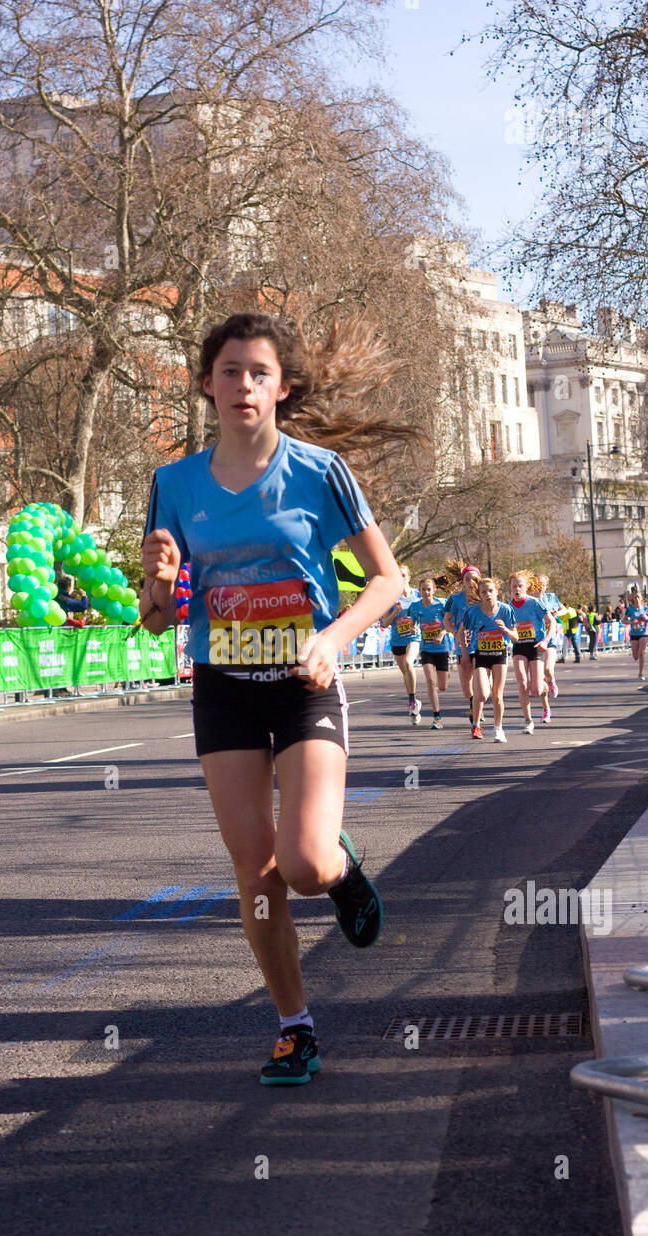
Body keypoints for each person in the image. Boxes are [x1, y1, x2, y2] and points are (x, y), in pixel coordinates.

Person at [140, 311, 410, 1087]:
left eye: (259, 372)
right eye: (229, 371)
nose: (243, 385)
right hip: (224, 688)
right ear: (205, 385)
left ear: (281, 388)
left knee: (298, 863)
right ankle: (295, 1027)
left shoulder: (320, 473)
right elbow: (158, 618)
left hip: (303, 685)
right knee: (256, 875)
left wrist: (333, 638)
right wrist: (157, 585)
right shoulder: (174, 484)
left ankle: (337, 866)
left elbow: (387, 579)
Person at [458, 576, 517, 743]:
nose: (488, 594)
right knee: (483, 694)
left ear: (497, 592)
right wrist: (464, 651)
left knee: (497, 696)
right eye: (484, 592)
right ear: (480, 594)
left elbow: (515, 637)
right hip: (481, 655)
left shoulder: (506, 610)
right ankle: (476, 725)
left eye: (491, 591)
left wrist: (505, 629)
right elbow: (461, 631)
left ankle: (498, 729)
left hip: (499, 655)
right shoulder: (473, 612)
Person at [508, 571, 551, 734]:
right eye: (514, 587)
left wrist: (545, 641)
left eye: (520, 586)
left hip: (535, 646)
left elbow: (552, 623)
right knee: (522, 683)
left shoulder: (535, 603)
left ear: (526, 587)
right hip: (519, 647)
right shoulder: (508, 607)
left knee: (536, 690)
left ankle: (543, 686)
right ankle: (528, 720)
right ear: (510, 589)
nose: (517, 589)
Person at [408, 576, 451, 729]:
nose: (426, 592)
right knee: (430, 681)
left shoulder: (442, 604)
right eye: (423, 590)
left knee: (443, 686)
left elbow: (449, 624)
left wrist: (442, 633)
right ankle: (437, 717)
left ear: (434, 590)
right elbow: (413, 621)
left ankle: (444, 676)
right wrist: (413, 627)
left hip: (442, 648)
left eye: (428, 589)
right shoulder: (415, 607)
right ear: (419, 591)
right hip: (426, 648)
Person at [381, 564, 422, 722]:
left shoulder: (418, 595)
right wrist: (395, 612)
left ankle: (412, 700)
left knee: (408, 663)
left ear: (409, 578)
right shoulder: (390, 597)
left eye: (403, 575)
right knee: (406, 673)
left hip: (414, 638)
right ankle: (414, 707)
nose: (400, 578)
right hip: (397, 640)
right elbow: (384, 623)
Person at [443, 562, 481, 726]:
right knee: (467, 687)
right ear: (462, 581)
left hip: (481, 645)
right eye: (467, 579)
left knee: (481, 680)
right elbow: (446, 621)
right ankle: (472, 701)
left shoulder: (483, 597)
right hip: (462, 646)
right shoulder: (454, 599)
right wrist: (456, 635)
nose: (470, 582)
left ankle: (478, 708)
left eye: (474, 579)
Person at [532, 573, 564, 695]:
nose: (541, 587)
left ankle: (552, 681)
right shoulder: (530, 600)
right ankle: (545, 693)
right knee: (539, 675)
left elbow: (564, 609)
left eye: (544, 585)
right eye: (539, 584)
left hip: (550, 639)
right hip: (535, 640)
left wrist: (557, 614)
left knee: (548, 669)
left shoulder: (551, 597)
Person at [626, 587, 648, 680]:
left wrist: (647, 618)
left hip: (643, 633)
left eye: (638, 597)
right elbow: (623, 620)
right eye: (635, 597)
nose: (636, 599)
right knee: (635, 656)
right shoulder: (630, 609)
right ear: (633, 599)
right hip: (634, 633)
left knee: (641, 653)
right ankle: (636, 656)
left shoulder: (645, 608)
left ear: (641, 599)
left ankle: (640, 673)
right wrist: (632, 622)